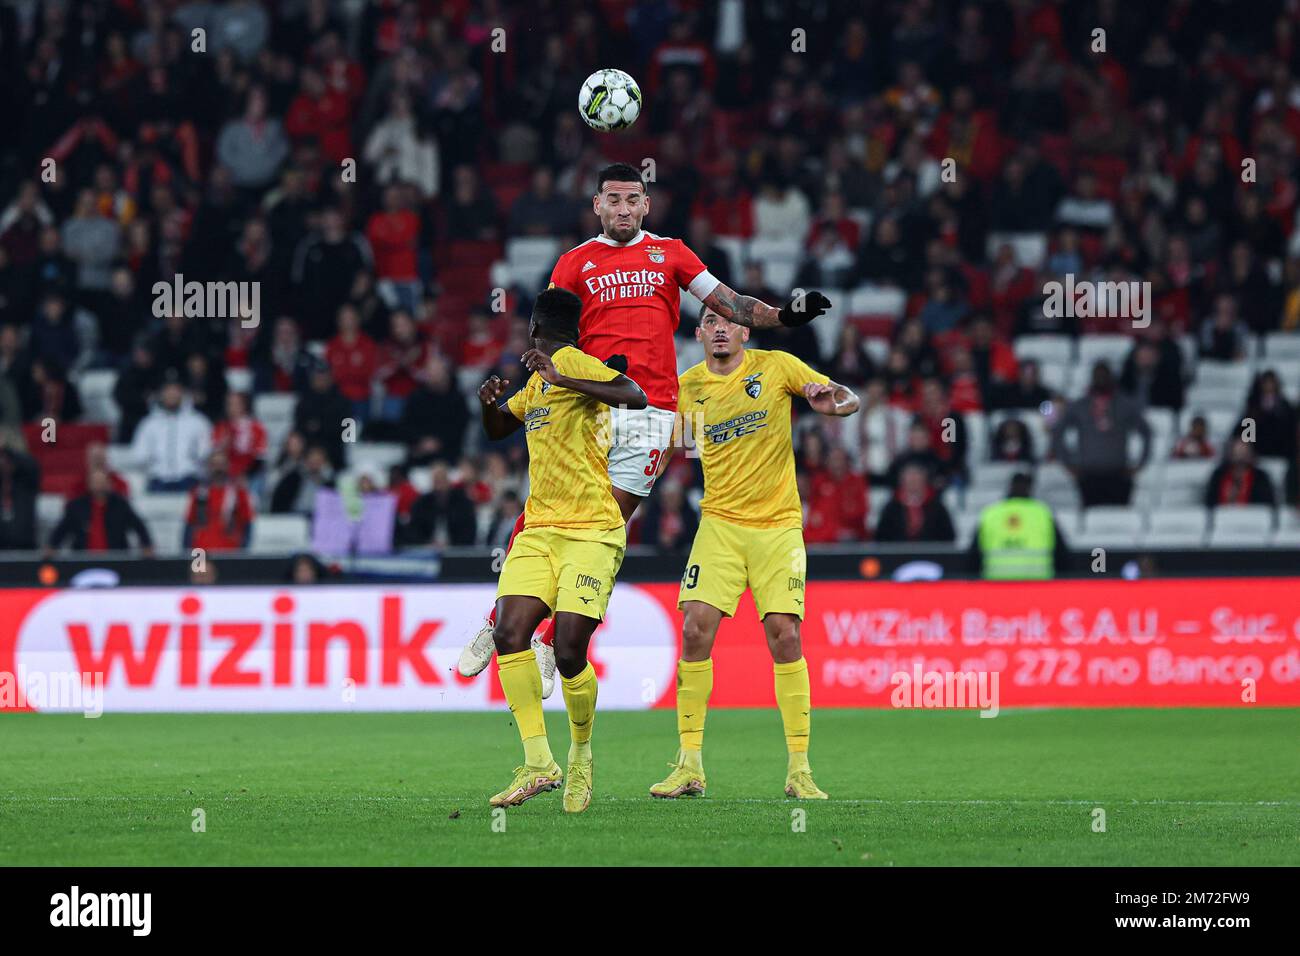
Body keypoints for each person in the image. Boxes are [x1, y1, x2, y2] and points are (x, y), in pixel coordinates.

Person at [456, 162, 832, 690]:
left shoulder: (672, 253)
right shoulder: (573, 263)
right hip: (586, 401)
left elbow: (731, 304)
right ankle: (499, 622)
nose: (624, 209)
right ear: (597, 205)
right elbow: (549, 327)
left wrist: (787, 315)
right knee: (548, 509)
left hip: (650, 408)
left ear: (646, 205)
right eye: (614, 199)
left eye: (633, 199)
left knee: (608, 522)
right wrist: (542, 380)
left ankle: (548, 638)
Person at [647, 305, 859, 801]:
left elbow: (838, 400)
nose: (720, 329)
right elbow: (669, 445)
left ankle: (799, 769)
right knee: (695, 628)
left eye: (728, 322)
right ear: (699, 333)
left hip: (777, 526)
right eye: (710, 322)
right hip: (719, 523)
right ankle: (689, 766)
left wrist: (836, 402)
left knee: (784, 635)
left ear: (745, 330)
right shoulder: (688, 388)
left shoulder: (777, 366)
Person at [476, 288, 647, 813]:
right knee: (509, 633)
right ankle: (537, 764)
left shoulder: (574, 365)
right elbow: (502, 428)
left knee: (570, 648)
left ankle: (581, 755)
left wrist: (563, 378)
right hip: (540, 530)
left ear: (534, 328)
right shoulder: (536, 381)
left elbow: (634, 395)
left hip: (593, 529)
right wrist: (489, 406)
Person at [1051, 362, 1151, 507]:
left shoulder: (1124, 404)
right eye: (1098, 375)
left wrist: (1140, 463)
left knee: (1119, 519)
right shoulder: (1081, 405)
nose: (1101, 379)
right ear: (1092, 378)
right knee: (1091, 520)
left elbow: (1146, 432)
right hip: (1088, 475)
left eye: (1104, 375)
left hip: (1118, 474)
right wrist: (1067, 462)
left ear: (1111, 377)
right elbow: (1058, 431)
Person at [972, 472, 1068, 579]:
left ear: (1010, 487)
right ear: (1030, 488)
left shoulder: (990, 514)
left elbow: (973, 558)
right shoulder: (1043, 513)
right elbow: (1062, 556)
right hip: (1037, 584)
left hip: (997, 584)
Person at [48, 466, 153, 555]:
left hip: (115, 557)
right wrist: (52, 545)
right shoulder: (76, 506)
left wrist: (146, 544)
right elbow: (62, 529)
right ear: (89, 484)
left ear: (108, 483)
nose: (99, 486)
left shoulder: (120, 505)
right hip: (83, 558)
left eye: (102, 482)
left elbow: (138, 525)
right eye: (96, 482)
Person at [875, 463, 957, 542]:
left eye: (917, 478)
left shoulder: (937, 507)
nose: (913, 481)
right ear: (902, 481)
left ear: (924, 480)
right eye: (910, 478)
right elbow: (881, 537)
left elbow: (948, 536)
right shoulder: (892, 507)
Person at [1205, 439, 1276, 508]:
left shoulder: (1260, 477)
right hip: (1222, 516)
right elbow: (1210, 502)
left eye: (1244, 453)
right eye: (1237, 453)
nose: (1240, 458)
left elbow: (1267, 504)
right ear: (1230, 454)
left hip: (1253, 517)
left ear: (1250, 454)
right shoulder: (1218, 475)